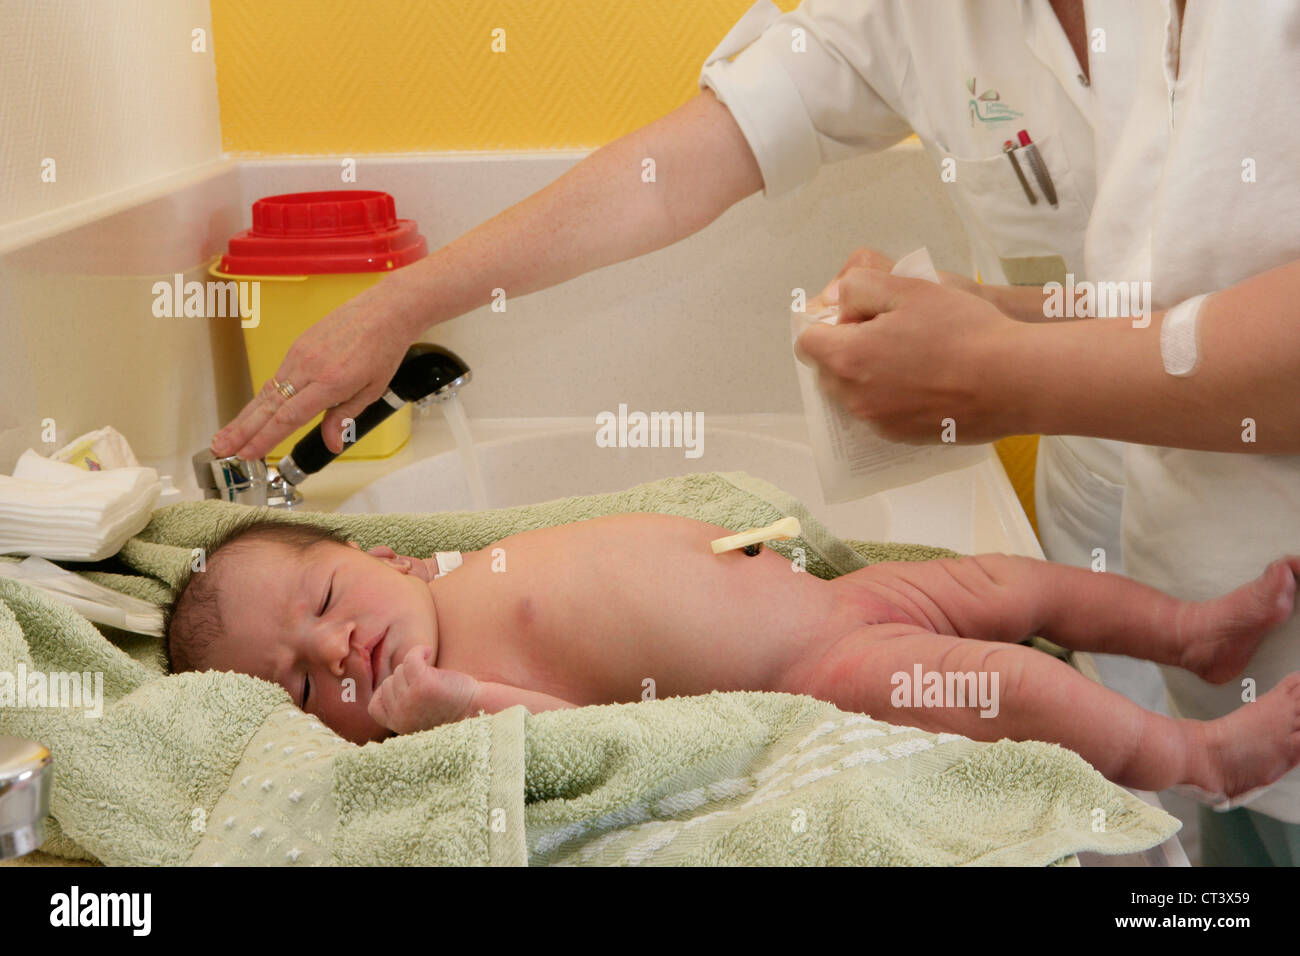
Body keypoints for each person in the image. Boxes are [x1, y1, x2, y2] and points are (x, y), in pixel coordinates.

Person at [164, 517, 1300, 799]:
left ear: (382, 552)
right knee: (1009, 684)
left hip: (825, 598)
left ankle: (1183, 628)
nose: (334, 647)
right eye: (307, 685)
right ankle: (1192, 754)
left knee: (1012, 581)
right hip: (809, 673)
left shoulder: (451, 565)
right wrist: (452, 706)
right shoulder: (447, 691)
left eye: (320, 598)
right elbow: (573, 734)